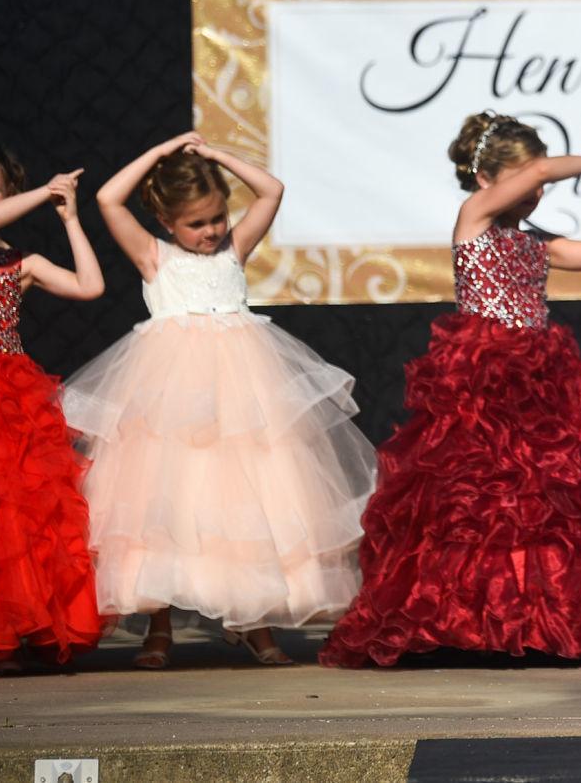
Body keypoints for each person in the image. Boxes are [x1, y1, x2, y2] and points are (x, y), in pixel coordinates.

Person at [321, 114, 581, 667]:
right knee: (475, 502)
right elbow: (545, 166)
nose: (537, 188)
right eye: (522, 177)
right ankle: (460, 623)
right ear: (485, 180)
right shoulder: (473, 219)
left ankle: (532, 621)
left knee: (535, 504)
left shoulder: (535, 242)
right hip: (481, 376)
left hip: (537, 381)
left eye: (538, 182)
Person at [64, 133, 376, 666]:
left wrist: (215, 156)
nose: (211, 232)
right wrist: (159, 153)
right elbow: (108, 199)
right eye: (197, 223)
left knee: (251, 504)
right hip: (170, 397)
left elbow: (271, 191)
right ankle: (157, 628)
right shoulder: (153, 256)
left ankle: (254, 622)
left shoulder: (235, 247)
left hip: (243, 395)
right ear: (167, 224)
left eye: (216, 218)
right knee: (165, 505)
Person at [0, 138, 103, 673]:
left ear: (7, 192)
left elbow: (90, 286)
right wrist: (40, 191)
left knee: (10, 516)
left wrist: (69, 217)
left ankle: (8, 633)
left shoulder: (21, 262)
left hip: (9, 396)